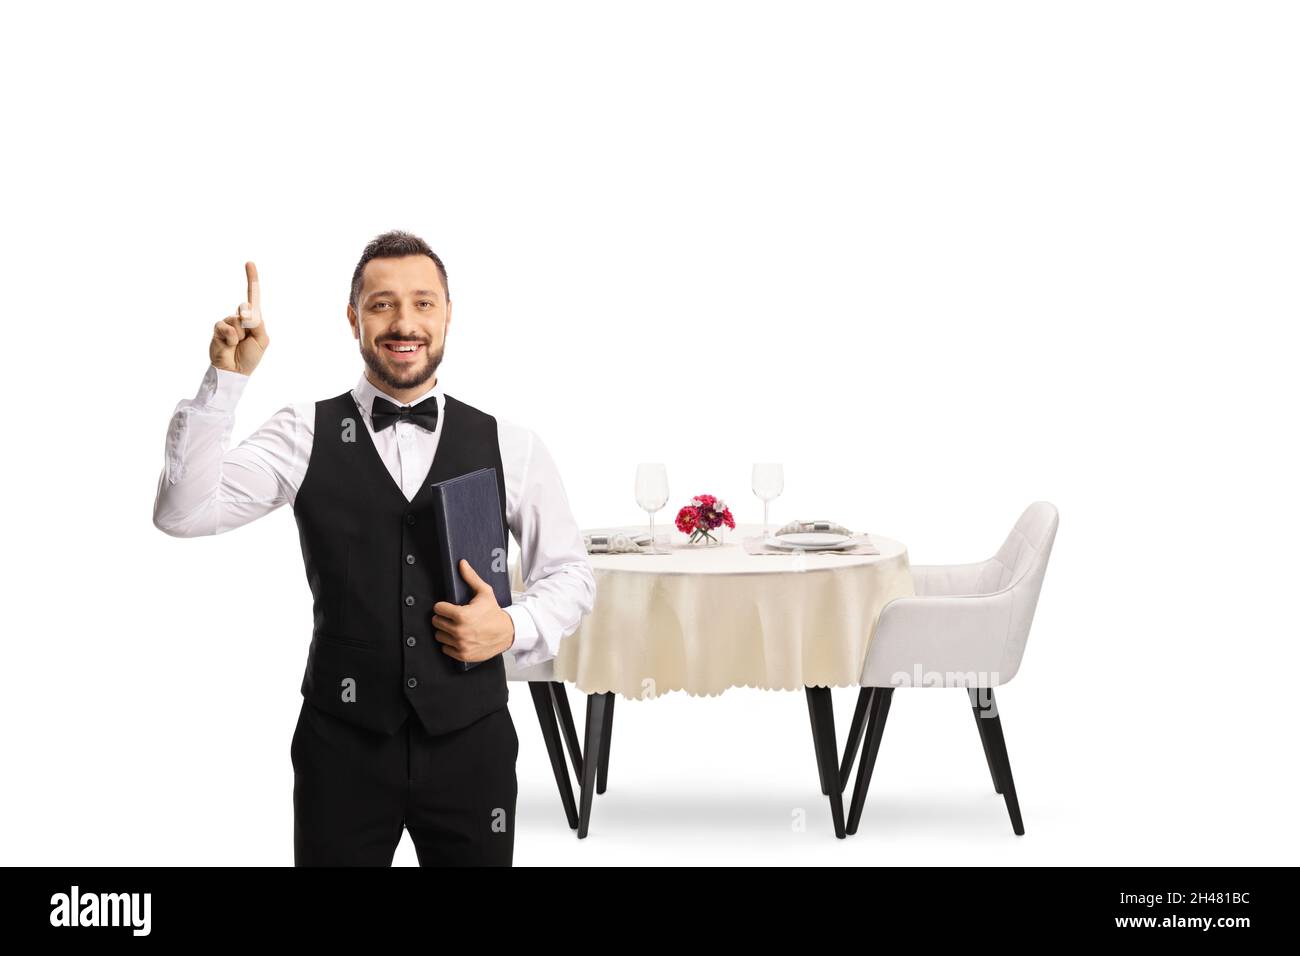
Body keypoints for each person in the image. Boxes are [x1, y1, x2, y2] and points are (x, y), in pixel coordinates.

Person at [152, 230, 596, 866]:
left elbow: (571, 576)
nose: (404, 322)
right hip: (342, 747)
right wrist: (225, 381)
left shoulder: (511, 444)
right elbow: (182, 512)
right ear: (353, 317)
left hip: (471, 745)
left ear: (447, 314)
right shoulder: (304, 431)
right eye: (383, 304)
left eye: (423, 302)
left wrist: (511, 626)